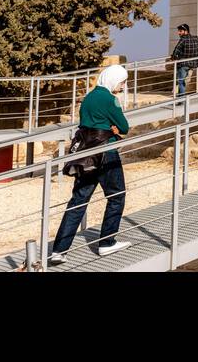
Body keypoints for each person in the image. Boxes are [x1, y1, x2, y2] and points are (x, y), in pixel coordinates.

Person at [49, 64, 132, 265]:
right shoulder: (110, 99)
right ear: (113, 80)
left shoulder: (89, 97)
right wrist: (113, 129)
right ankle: (107, 242)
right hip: (106, 154)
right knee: (116, 196)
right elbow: (124, 127)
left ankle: (59, 251)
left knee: (78, 201)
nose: (123, 86)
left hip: (86, 155)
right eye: (122, 82)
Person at [171, 23, 198, 97]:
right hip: (194, 63)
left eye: (180, 31)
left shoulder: (183, 40)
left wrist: (173, 58)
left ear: (185, 31)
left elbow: (175, 51)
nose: (178, 33)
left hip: (184, 64)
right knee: (183, 79)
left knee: (180, 81)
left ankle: (181, 99)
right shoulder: (195, 38)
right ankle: (180, 94)